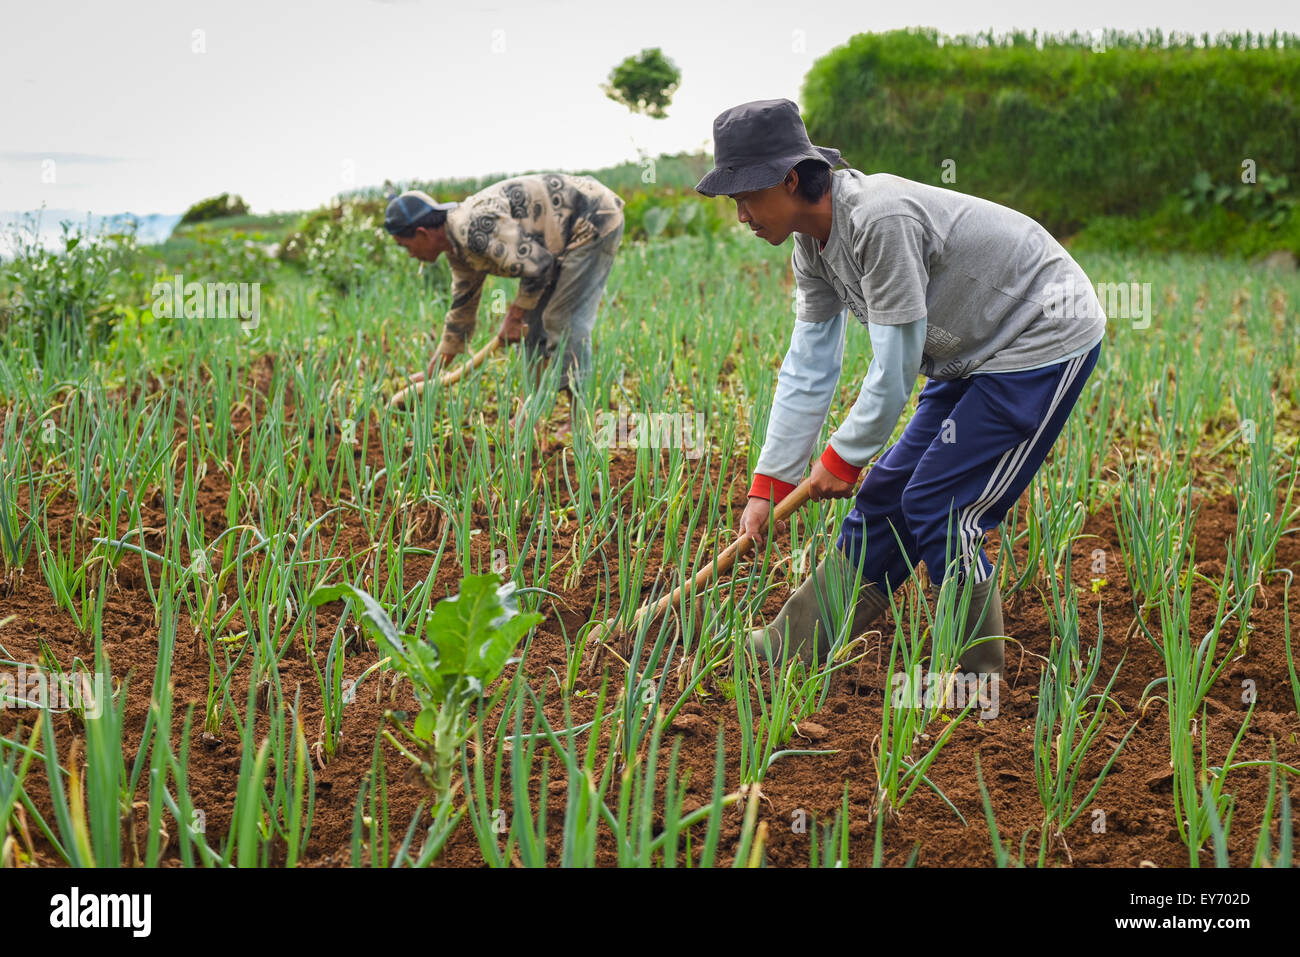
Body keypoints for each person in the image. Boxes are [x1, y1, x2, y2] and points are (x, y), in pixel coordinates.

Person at [695, 98, 1107, 675]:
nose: (741, 214)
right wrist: (770, 483)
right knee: (889, 491)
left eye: (746, 197)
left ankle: (974, 680)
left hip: (1038, 336)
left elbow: (893, 367)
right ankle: (794, 644)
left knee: (943, 501)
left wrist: (842, 458)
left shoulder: (880, 221)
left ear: (790, 180)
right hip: (967, 348)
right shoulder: (811, 245)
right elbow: (810, 361)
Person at [383, 173, 625, 415]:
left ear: (423, 233)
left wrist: (514, 315)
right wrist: (431, 374)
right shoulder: (458, 249)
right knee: (532, 329)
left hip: (592, 219)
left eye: (406, 246)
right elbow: (461, 313)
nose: (410, 254)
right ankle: (530, 419)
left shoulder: (472, 229)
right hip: (560, 240)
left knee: (562, 321)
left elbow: (539, 266)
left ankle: (580, 420)